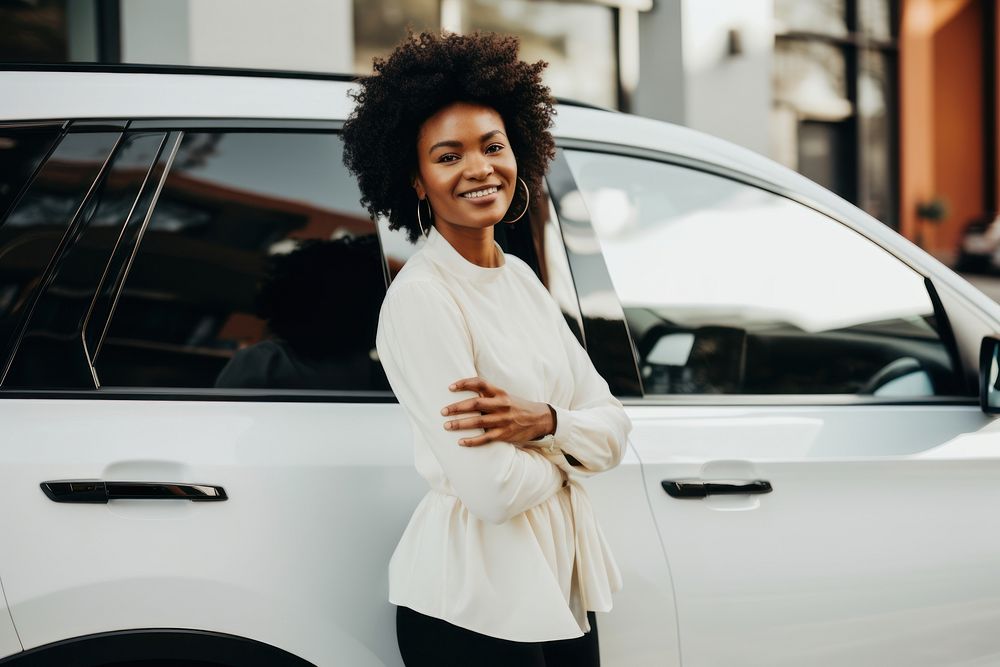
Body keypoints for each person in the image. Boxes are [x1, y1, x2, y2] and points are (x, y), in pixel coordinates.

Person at [342, 31, 632, 667]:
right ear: (415, 182)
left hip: (559, 590)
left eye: (493, 146)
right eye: (448, 157)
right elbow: (494, 490)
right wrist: (568, 449)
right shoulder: (424, 300)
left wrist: (546, 422)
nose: (479, 168)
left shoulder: (520, 280)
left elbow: (614, 430)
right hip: (474, 609)